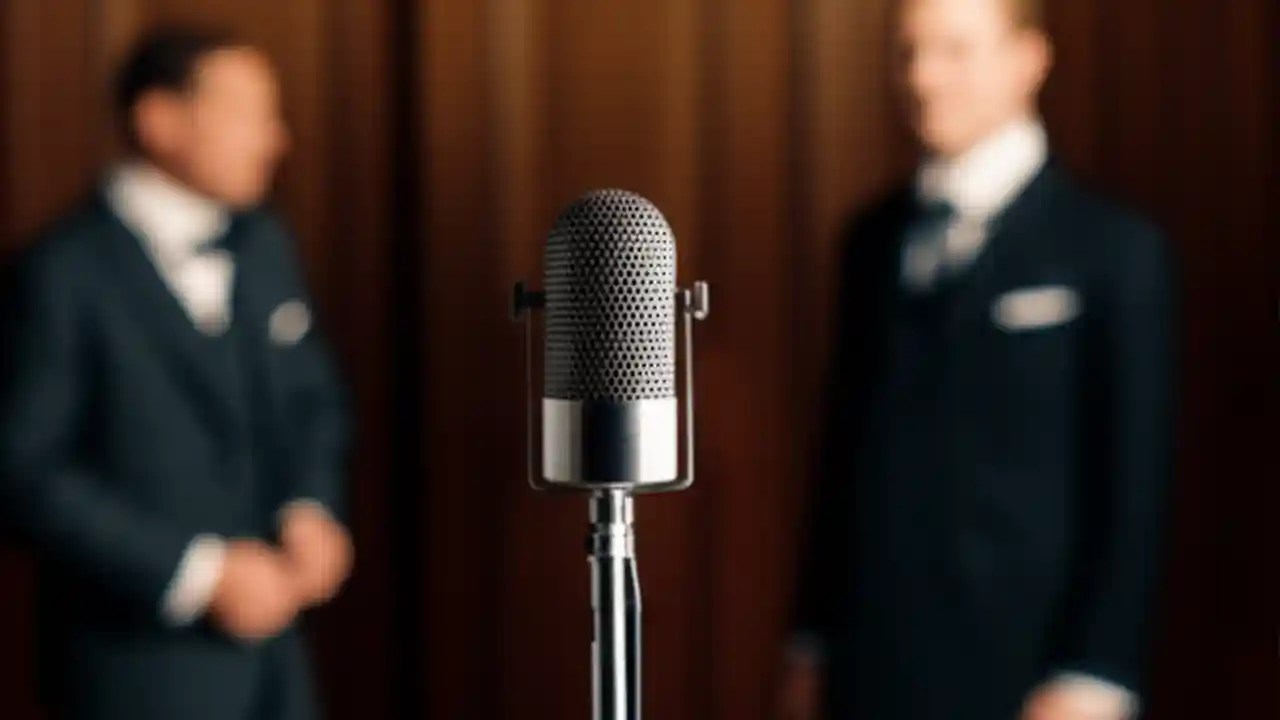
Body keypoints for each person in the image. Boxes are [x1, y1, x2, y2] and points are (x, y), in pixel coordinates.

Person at [780, 0, 1175, 718]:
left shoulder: (1113, 249)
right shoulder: (870, 240)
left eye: (954, 50)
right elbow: (842, 458)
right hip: (870, 665)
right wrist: (810, 646)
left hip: (1026, 673)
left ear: (1030, 58)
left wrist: (1095, 674)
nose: (924, 78)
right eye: (908, 52)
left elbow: (1135, 483)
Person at [0, 28, 353, 720]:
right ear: (159, 118)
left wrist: (311, 506)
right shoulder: (59, 274)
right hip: (135, 668)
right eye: (249, 114)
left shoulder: (264, 246)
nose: (274, 139)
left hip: (281, 659)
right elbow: (22, 471)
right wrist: (199, 573)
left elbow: (315, 401)